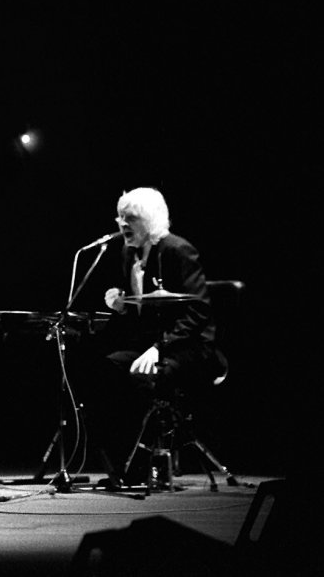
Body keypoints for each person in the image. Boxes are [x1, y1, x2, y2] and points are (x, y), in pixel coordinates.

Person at [85, 187, 227, 488]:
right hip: (152, 345)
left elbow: (198, 310)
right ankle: (117, 462)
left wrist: (159, 348)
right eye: (120, 217)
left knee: (142, 377)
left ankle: (145, 465)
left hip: (190, 346)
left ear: (149, 220)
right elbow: (146, 311)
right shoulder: (128, 253)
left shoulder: (178, 250)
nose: (122, 224)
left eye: (130, 218)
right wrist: (122, 306)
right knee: (105, 369)